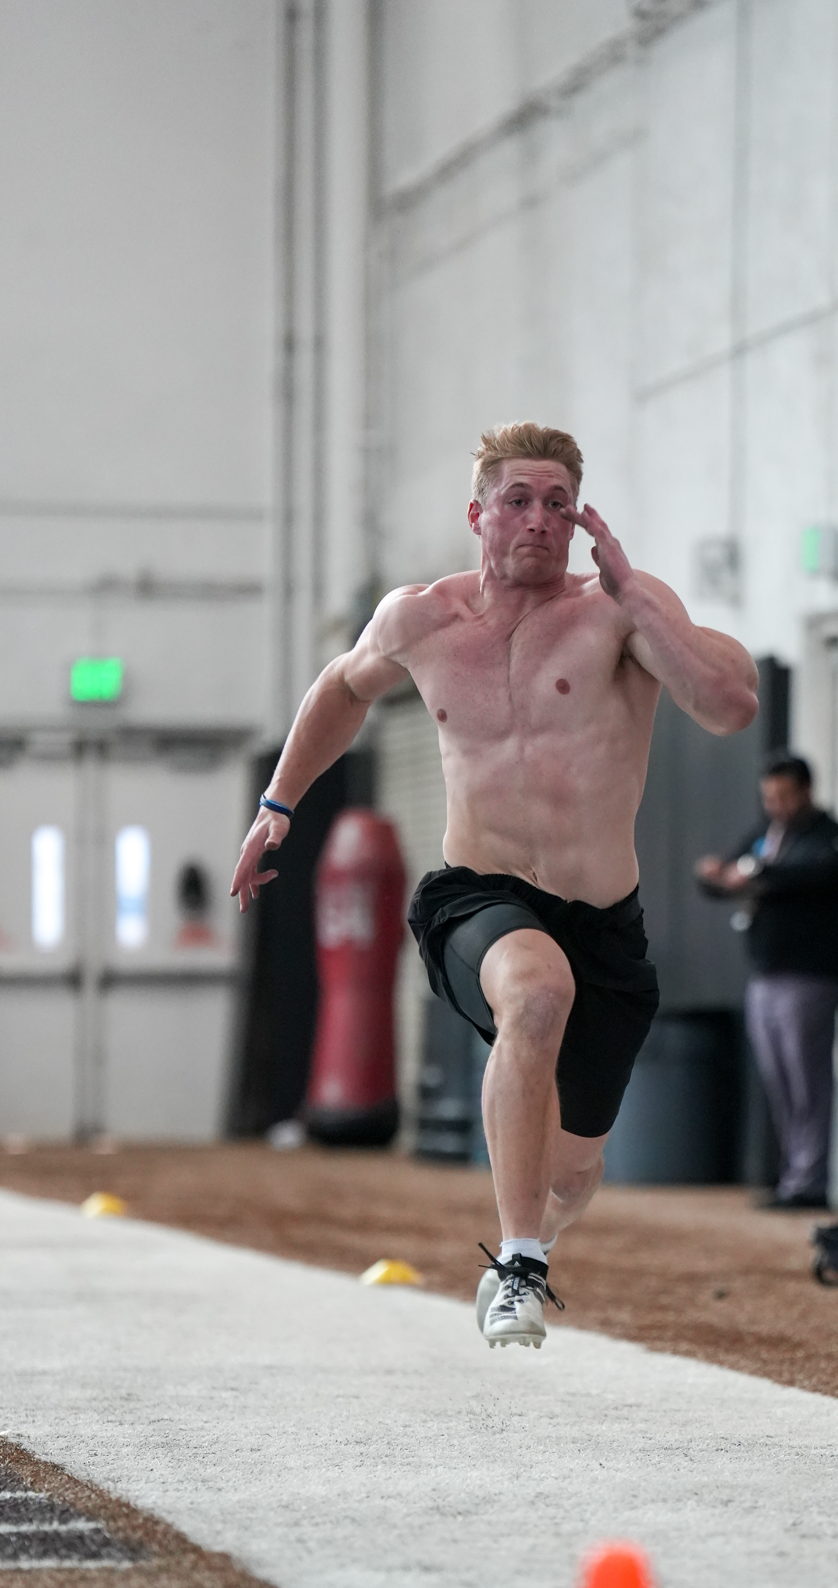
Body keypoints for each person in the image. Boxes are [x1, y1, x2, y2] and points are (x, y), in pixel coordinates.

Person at [231, 421, 757, 1348]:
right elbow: (341, 688)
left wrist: (641, 601)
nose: (539, 520)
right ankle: (519, 1264)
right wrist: (278, 803)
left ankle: (537, 1228)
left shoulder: (618, 614)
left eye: (559, 504)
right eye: (518, 500)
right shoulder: (420, 619)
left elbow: (727, 706)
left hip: (604, 922)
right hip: (475, 895)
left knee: (574, 1174)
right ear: (477, 514)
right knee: (536, 992)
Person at [696, 753, 838, 1210]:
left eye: (785, 795)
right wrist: (714, 875)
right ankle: (794, 1174)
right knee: (780, 1080)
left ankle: (811, 1180)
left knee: (809, 1080)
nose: (777, 804)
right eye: (770, 796)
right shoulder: (768, 836)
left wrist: (755, 875)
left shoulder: (833, 838)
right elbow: (727, 872)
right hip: (764, 975)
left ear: (807, 791)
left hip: (810, 976)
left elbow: (816, 874)